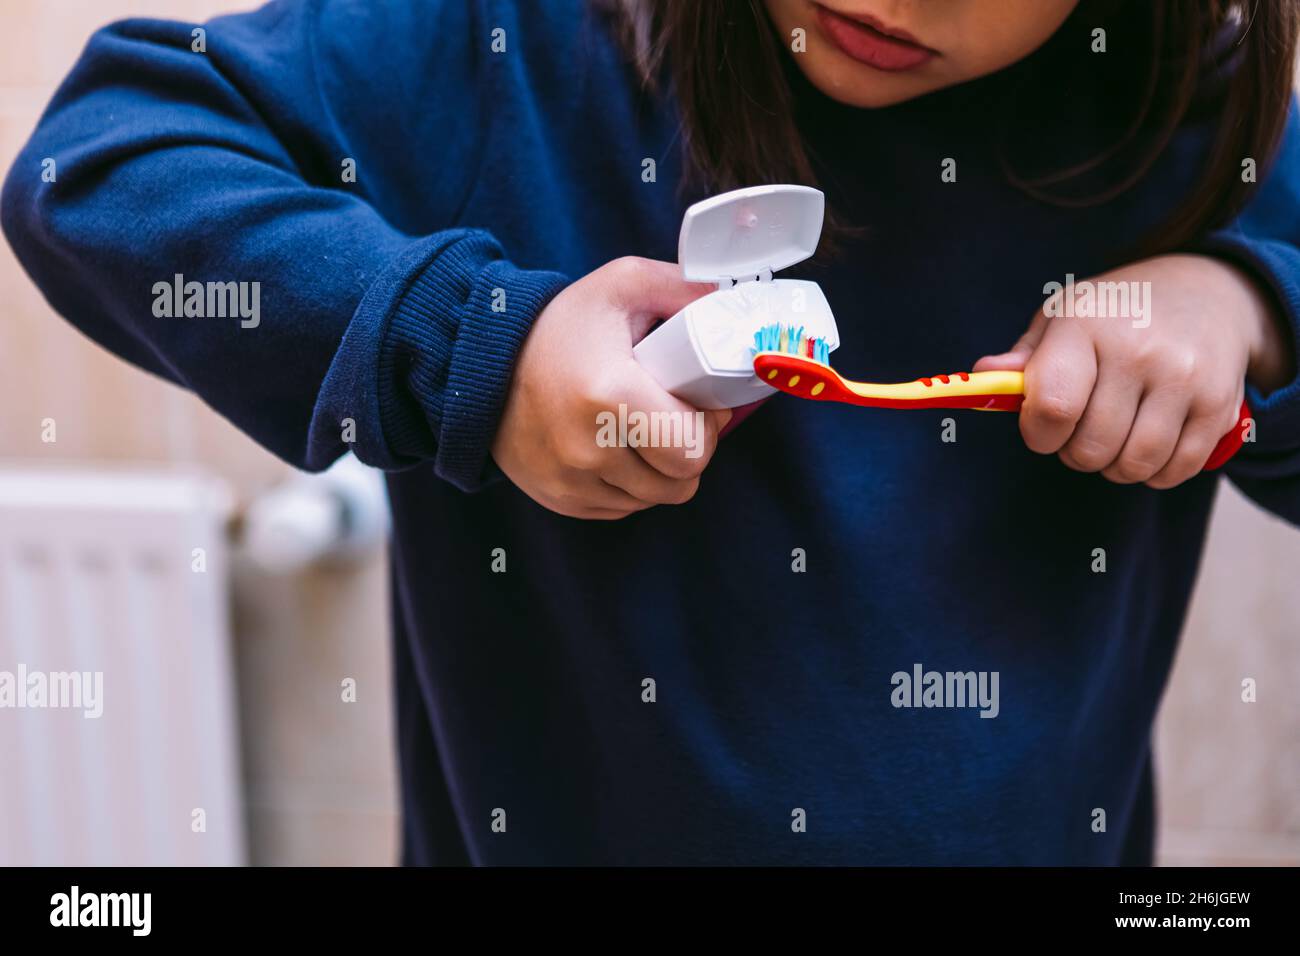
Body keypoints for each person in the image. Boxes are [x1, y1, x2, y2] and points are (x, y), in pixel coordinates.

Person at [4, 0, 1299, 864]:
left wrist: (1251, 307)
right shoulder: (498, 43)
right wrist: (473, 349)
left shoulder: (1177, 108)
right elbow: (95, 163)